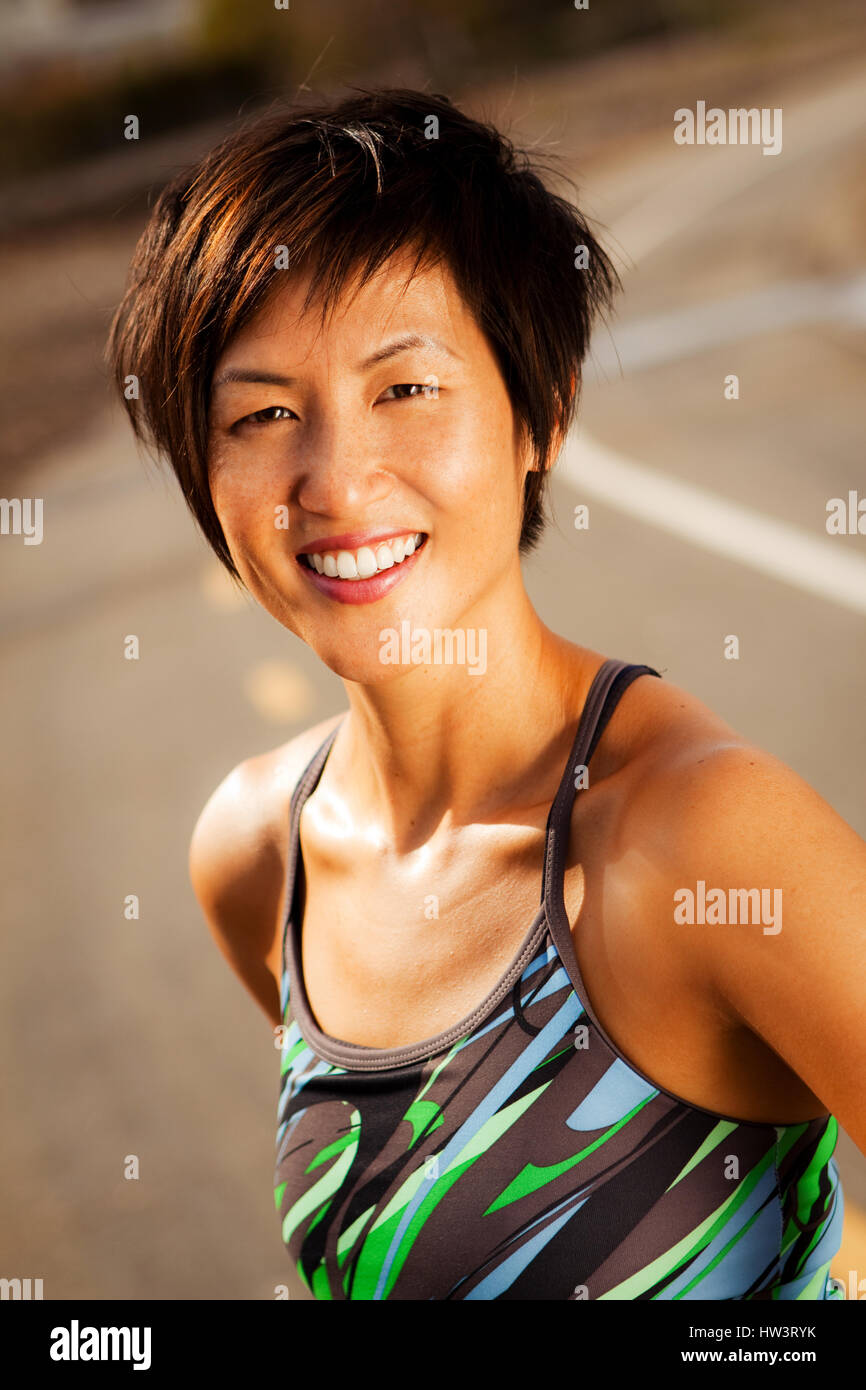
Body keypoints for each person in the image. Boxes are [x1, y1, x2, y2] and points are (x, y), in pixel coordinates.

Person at [106, 87, 864, 1300]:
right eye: (262, 414)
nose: (337, 482)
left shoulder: (703, 840)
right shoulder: (258, 851)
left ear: (541, 412)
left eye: (404, 389)